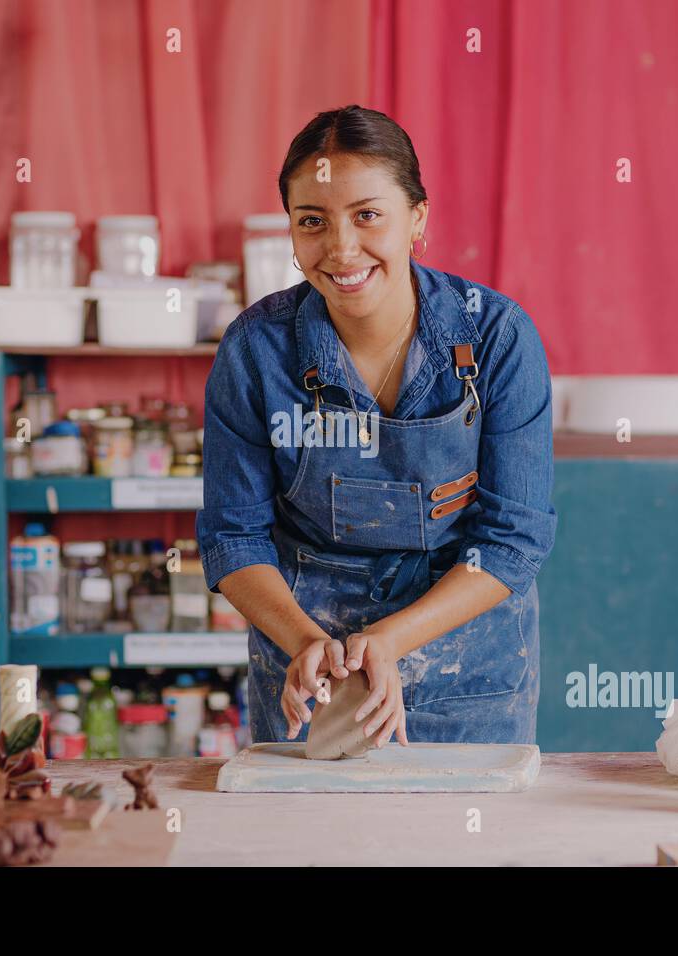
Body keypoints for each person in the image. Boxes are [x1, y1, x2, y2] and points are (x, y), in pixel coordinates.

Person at [198, 104, 556, 748]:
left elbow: (513, 539)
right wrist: (306, 641)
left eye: (368, 215)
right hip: (311, 668)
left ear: (418, 217)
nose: (340, 248)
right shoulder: (254, 350)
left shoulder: (498, 336)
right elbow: (232, 537)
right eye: (313, 222)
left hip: (469, 665)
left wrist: (389, 640)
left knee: (462, 846)